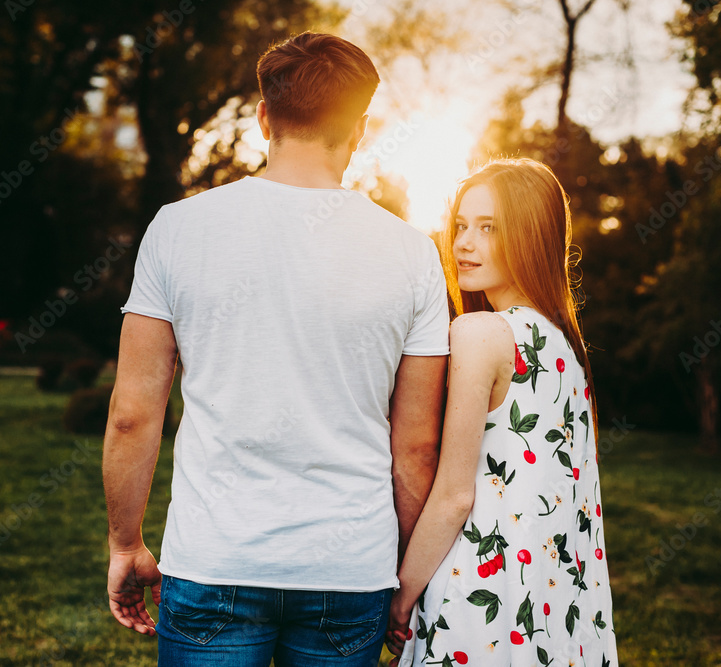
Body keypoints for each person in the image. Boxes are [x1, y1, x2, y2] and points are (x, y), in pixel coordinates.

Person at [102, 32, 451, 666]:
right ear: (360, 128)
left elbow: (133, 413)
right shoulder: (413, 254)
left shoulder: (178, 229)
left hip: (214, 560)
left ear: (264, 116)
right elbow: (416, 447)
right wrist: (401, 568)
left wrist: (125, 545)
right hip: (349, 572)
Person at [386, 158, 618, 666]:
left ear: (531, 236)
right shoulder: (566, 346)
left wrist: (401, 597)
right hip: (554, 605)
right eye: (461, 226)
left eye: (488, 228)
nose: (464, 243)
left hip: (479, 601)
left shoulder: (480, 334)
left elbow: (453, 495)